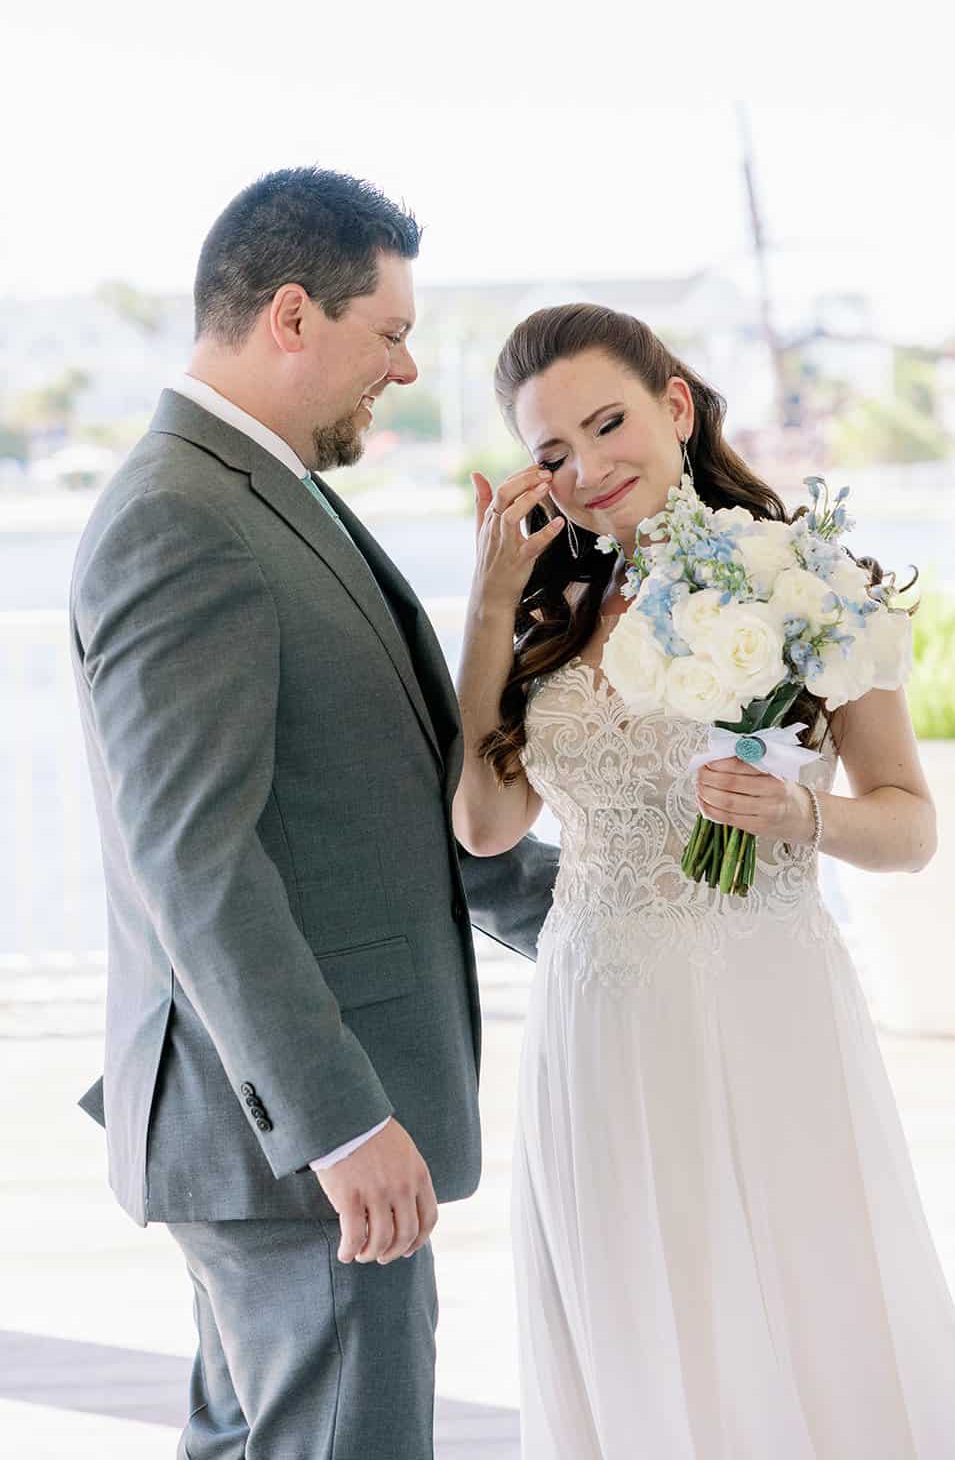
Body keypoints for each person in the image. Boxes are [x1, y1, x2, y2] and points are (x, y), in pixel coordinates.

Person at [69, 167, 557, 1460]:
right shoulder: (181, 518)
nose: (403, 371)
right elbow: (193, 857)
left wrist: (609, 910)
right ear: (293, 314)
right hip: (295, 1147)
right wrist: (338, 1120)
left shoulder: (258, 491)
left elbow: (377, 789)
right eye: (388, 333)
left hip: (279, 1144)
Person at [453, 302, 955, 1458]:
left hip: (759, 1005)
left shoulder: (811, 581)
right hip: (594, 1014)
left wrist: (797, 812)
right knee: (631, 1306)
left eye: (607, 421)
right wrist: (486, 608)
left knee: (783, 1307)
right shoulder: (543, 611)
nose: (587, 466)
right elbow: (485, 825)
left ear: (674, 406)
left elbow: (908, 827)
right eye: (550, 452)